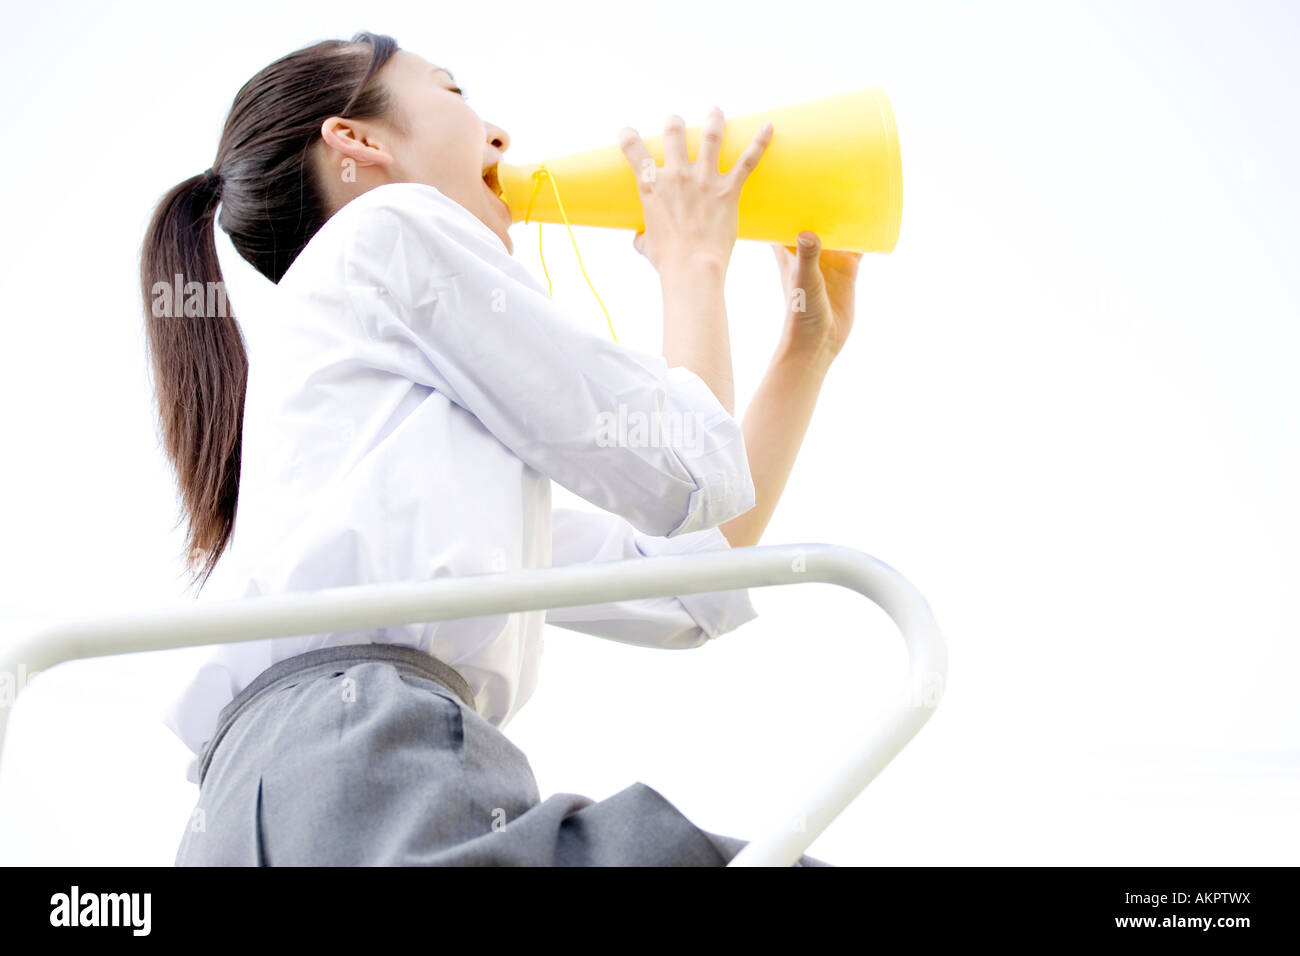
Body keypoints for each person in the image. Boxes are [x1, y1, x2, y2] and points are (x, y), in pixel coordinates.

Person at [142, 31, 861, 866]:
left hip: (274, 796)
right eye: (451, 91)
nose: (499, 137)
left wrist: (805, 351)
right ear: (357, 142)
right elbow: (679, 467)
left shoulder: (392, 423)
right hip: (367, 754)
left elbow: (689, 577)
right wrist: (691, 257)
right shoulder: (391, 226)